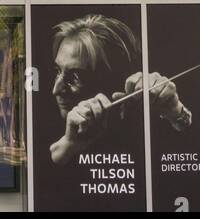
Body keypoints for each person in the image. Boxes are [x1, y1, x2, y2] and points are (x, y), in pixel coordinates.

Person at [49, 14, 191, 167]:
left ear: (115, 81)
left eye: (76, 76)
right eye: (58, 71)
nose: (56, 90)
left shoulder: (144, 130)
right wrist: (68, 146)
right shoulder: (48, 127)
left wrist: (175, 112)